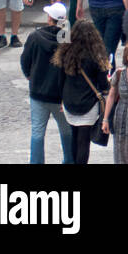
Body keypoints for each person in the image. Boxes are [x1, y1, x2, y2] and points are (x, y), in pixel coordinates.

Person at [20, 1, 74, 165]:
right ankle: (69, 160)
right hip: (60, 96)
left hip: (38, 93)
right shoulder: (66, 39)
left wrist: (30, 76)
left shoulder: (35, 37)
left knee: (37, 132)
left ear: (49, 18)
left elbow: (25, 61)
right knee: (66, 131)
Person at [52, 20, 110, 166]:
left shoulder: (65, 53)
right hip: (88, 103)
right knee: (84, 140)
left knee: (74, 135)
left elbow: (60, 80)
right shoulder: (96, 56)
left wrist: (61, 100)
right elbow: (103, 84)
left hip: (69, 101)